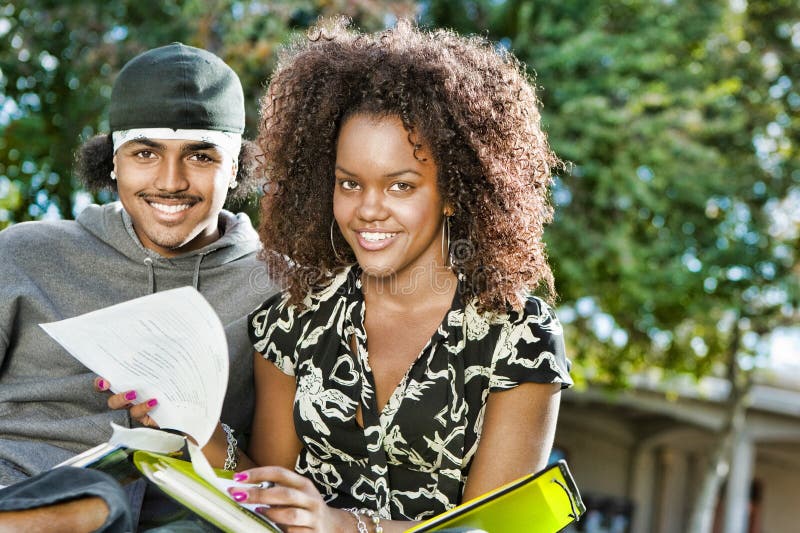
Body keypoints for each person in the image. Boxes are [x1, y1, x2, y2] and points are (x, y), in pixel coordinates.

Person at [184, 18, 573, 532]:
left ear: (455, 190)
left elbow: (493, 529)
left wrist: (344, 525)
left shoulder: (519, 336)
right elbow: (269, 491)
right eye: (349, 183)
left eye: (400, 187)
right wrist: (196, 433)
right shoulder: (294, 319)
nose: (368, 210)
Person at [0, 42, 277, 531]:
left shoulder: (277, 288)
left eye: (201, 155)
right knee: (94, 503)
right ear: (113, 161)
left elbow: (269, 485)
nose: (170, 182)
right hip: (16, 491)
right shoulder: (24, 254)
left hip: (179, 516)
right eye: (145, 153)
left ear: (235, 168)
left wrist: (202, 433)